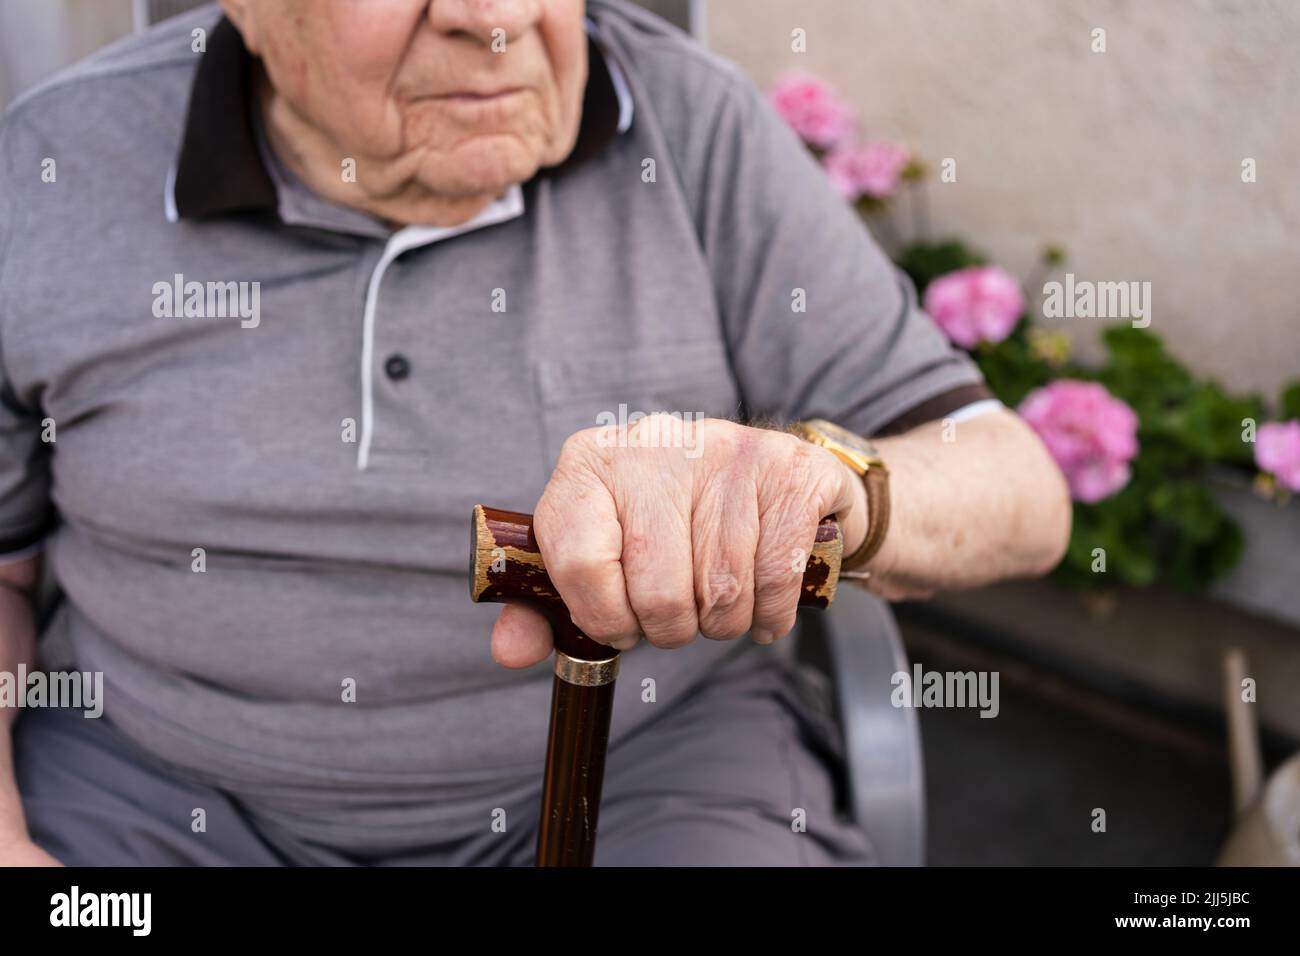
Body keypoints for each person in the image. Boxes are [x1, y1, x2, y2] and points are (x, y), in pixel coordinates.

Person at [0, 0, 1069, 866]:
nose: (496, 18)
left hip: (644, 775)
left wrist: (833, 486)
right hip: (157, 795)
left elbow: (1017, 488)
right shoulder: (52, 163)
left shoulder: (690, 128)